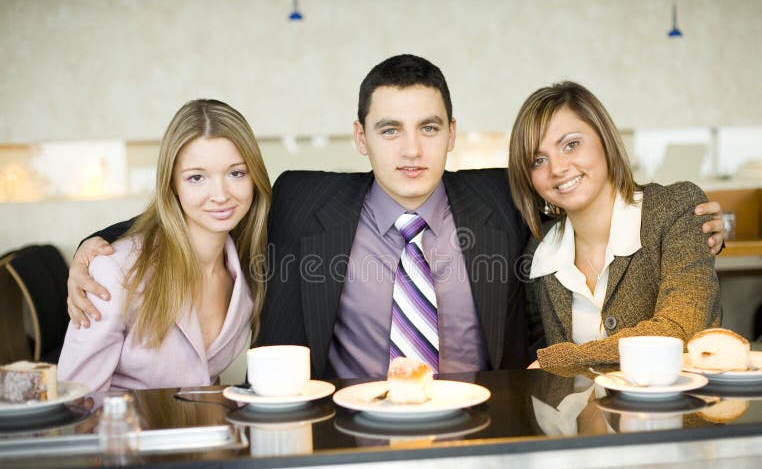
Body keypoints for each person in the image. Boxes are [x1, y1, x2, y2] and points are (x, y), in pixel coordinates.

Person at [65, 55, 724, 380]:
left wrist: (698, 225)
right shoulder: (301, 199)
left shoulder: (502, 196)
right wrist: (101, 242)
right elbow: (210, 203)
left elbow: (590, 196)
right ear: (360, 137)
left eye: (428, 128)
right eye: (390, 130)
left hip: (482, 435)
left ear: (452, 134)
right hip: (344, 442)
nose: (411, 150)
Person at [58, 99, 271, 391]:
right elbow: (76, 398)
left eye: (236, 173)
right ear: (172, 184)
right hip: (123, 421)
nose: (221, 195)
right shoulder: (115, 270)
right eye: (197, 178)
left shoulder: (250, 269)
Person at [507, 81, 721, 370]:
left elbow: (680, 331)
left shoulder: (675, 209)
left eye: (571, 145)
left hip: (679, 399)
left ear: (604, 138)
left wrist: (563, 359)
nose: (557, 168)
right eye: (538, 160)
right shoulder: (540, 248)